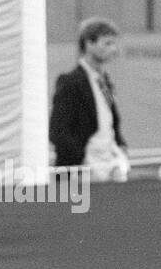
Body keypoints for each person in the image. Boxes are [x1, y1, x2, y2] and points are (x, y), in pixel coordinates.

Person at [49, 17, 129, 181]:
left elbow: (110, 121)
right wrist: (81, 160)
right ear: (89, 44)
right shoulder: (70, 82)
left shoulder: (104, 81)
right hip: (85, 170)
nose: (113, 49)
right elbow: (58, 131)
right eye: (107, 43)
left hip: (110, 166)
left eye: (114, 43)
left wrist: (120, 147)